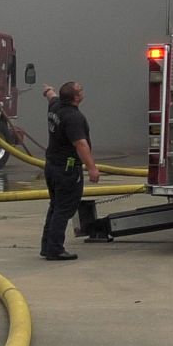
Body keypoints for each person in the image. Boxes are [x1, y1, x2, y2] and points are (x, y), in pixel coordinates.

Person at [39, 81, 100, 261]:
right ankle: (55, 249)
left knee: (55, 206)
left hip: (51, 165)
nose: (83, 91)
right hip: (67, 168)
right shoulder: (73, 118)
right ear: (76, 97)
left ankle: (47, 246)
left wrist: (47, 90)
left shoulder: (56, 106)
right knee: (63, 209)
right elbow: (80, 144)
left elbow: (51, 96)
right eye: (80, 90)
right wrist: (92, 169)